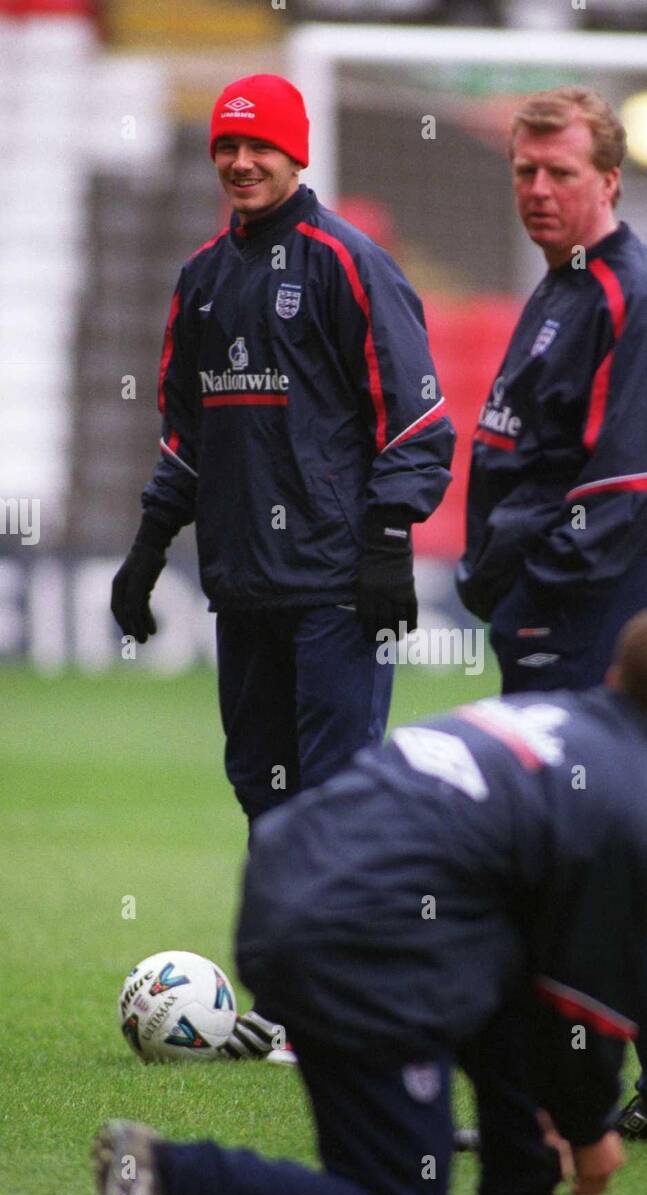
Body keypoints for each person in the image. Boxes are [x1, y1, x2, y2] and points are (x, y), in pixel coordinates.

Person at [86, 608, 647, 1195]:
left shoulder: (539, 715)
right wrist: (589, 1129)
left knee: (512, 958)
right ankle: (163, 1168)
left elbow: (537, 976)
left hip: (288, 889)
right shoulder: (635, 813)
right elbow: (586, 1001)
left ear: (614, 675)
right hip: (362, 939)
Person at [109, 74, 454, 1059]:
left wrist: (388, 538)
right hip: (244, 587)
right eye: (226, 146)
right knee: (266, 795)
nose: (241, 161)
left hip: (337, 587)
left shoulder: (350, 264)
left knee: (335, 798)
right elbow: (185, 432)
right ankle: (289, 1000)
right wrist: (146, 550)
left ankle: (347, 1005)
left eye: (259, 146)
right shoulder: (202, 279)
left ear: (296, 153)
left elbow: (421, 418)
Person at [456, 87, 647, 1141]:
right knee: (595, 853)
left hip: (594, 611)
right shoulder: (561, 287)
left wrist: (523, 590)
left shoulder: (632, 296)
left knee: (573, 856)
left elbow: (630, 485)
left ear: (608, 177)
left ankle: (583, 1107)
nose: (538, 189)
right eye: (523, 170)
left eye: (559, 171)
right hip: (555, 609)